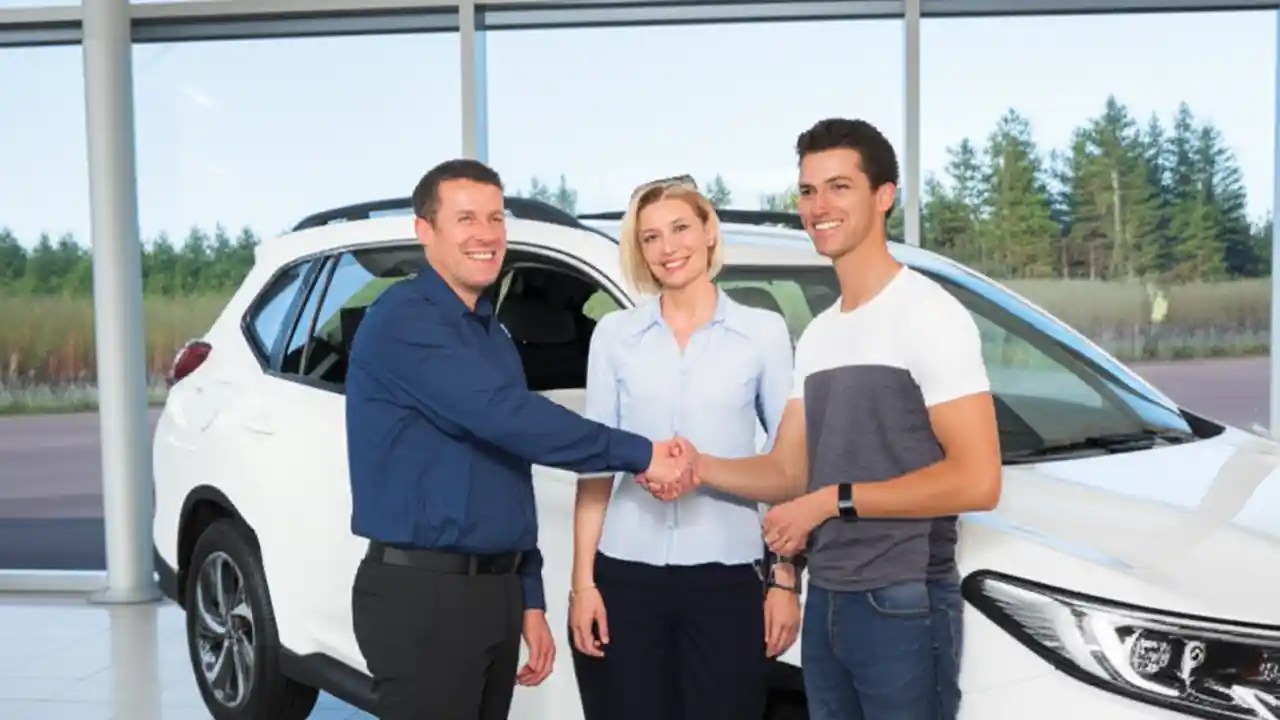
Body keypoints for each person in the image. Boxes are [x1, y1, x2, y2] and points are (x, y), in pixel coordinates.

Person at [643, 119, 1002, 720]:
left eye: (839, 187)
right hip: (829, 599)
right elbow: (789, 471)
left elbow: (978, 481)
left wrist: (828, 503)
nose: (818, 206)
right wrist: (699, 467)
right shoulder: (820, 335)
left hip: (904, 600)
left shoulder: (927, 315)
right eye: (807, 191)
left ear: (883, 196)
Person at [344, 158, 694, 720]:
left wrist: (527, 595)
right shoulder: (404, 321)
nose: (486, 234)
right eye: (466, 219)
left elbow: (508, 467)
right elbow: (508, 418)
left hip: (492, 592)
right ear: (424, 231)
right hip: (424, 597)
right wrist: (643, 453)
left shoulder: (491, 332)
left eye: (495, 217)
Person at [565, 175, 803, 720]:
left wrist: (785, 578)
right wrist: (583, 585)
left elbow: (788, 469)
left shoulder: (762, 334)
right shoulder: (614, 336)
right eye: (651, 237)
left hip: (727, 578)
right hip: (626, 574)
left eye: (679, 229)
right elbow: (596, 465)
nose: (668, 248)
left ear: (709, 232)